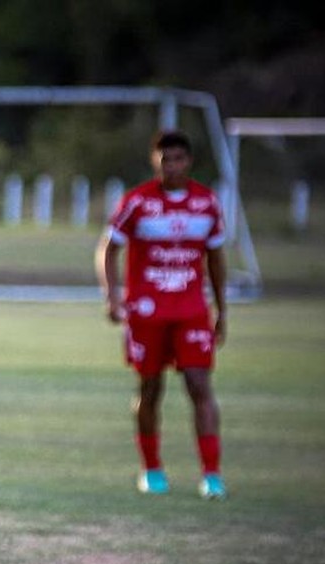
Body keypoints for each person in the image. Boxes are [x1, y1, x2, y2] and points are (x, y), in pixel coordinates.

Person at [96, 129, 229, 499]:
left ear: (189, 161)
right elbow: (108, 249)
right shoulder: (138, 202)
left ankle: (212, 475)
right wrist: (112, 296)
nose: (172, 166)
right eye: (164, 159)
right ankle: (152, 469)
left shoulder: (206, 204)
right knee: (150, 388)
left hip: (191, 310)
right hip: (147, 311)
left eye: (178, 159)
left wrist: (222, 308)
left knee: (199, 385)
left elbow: (216, 260)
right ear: (155, 161)